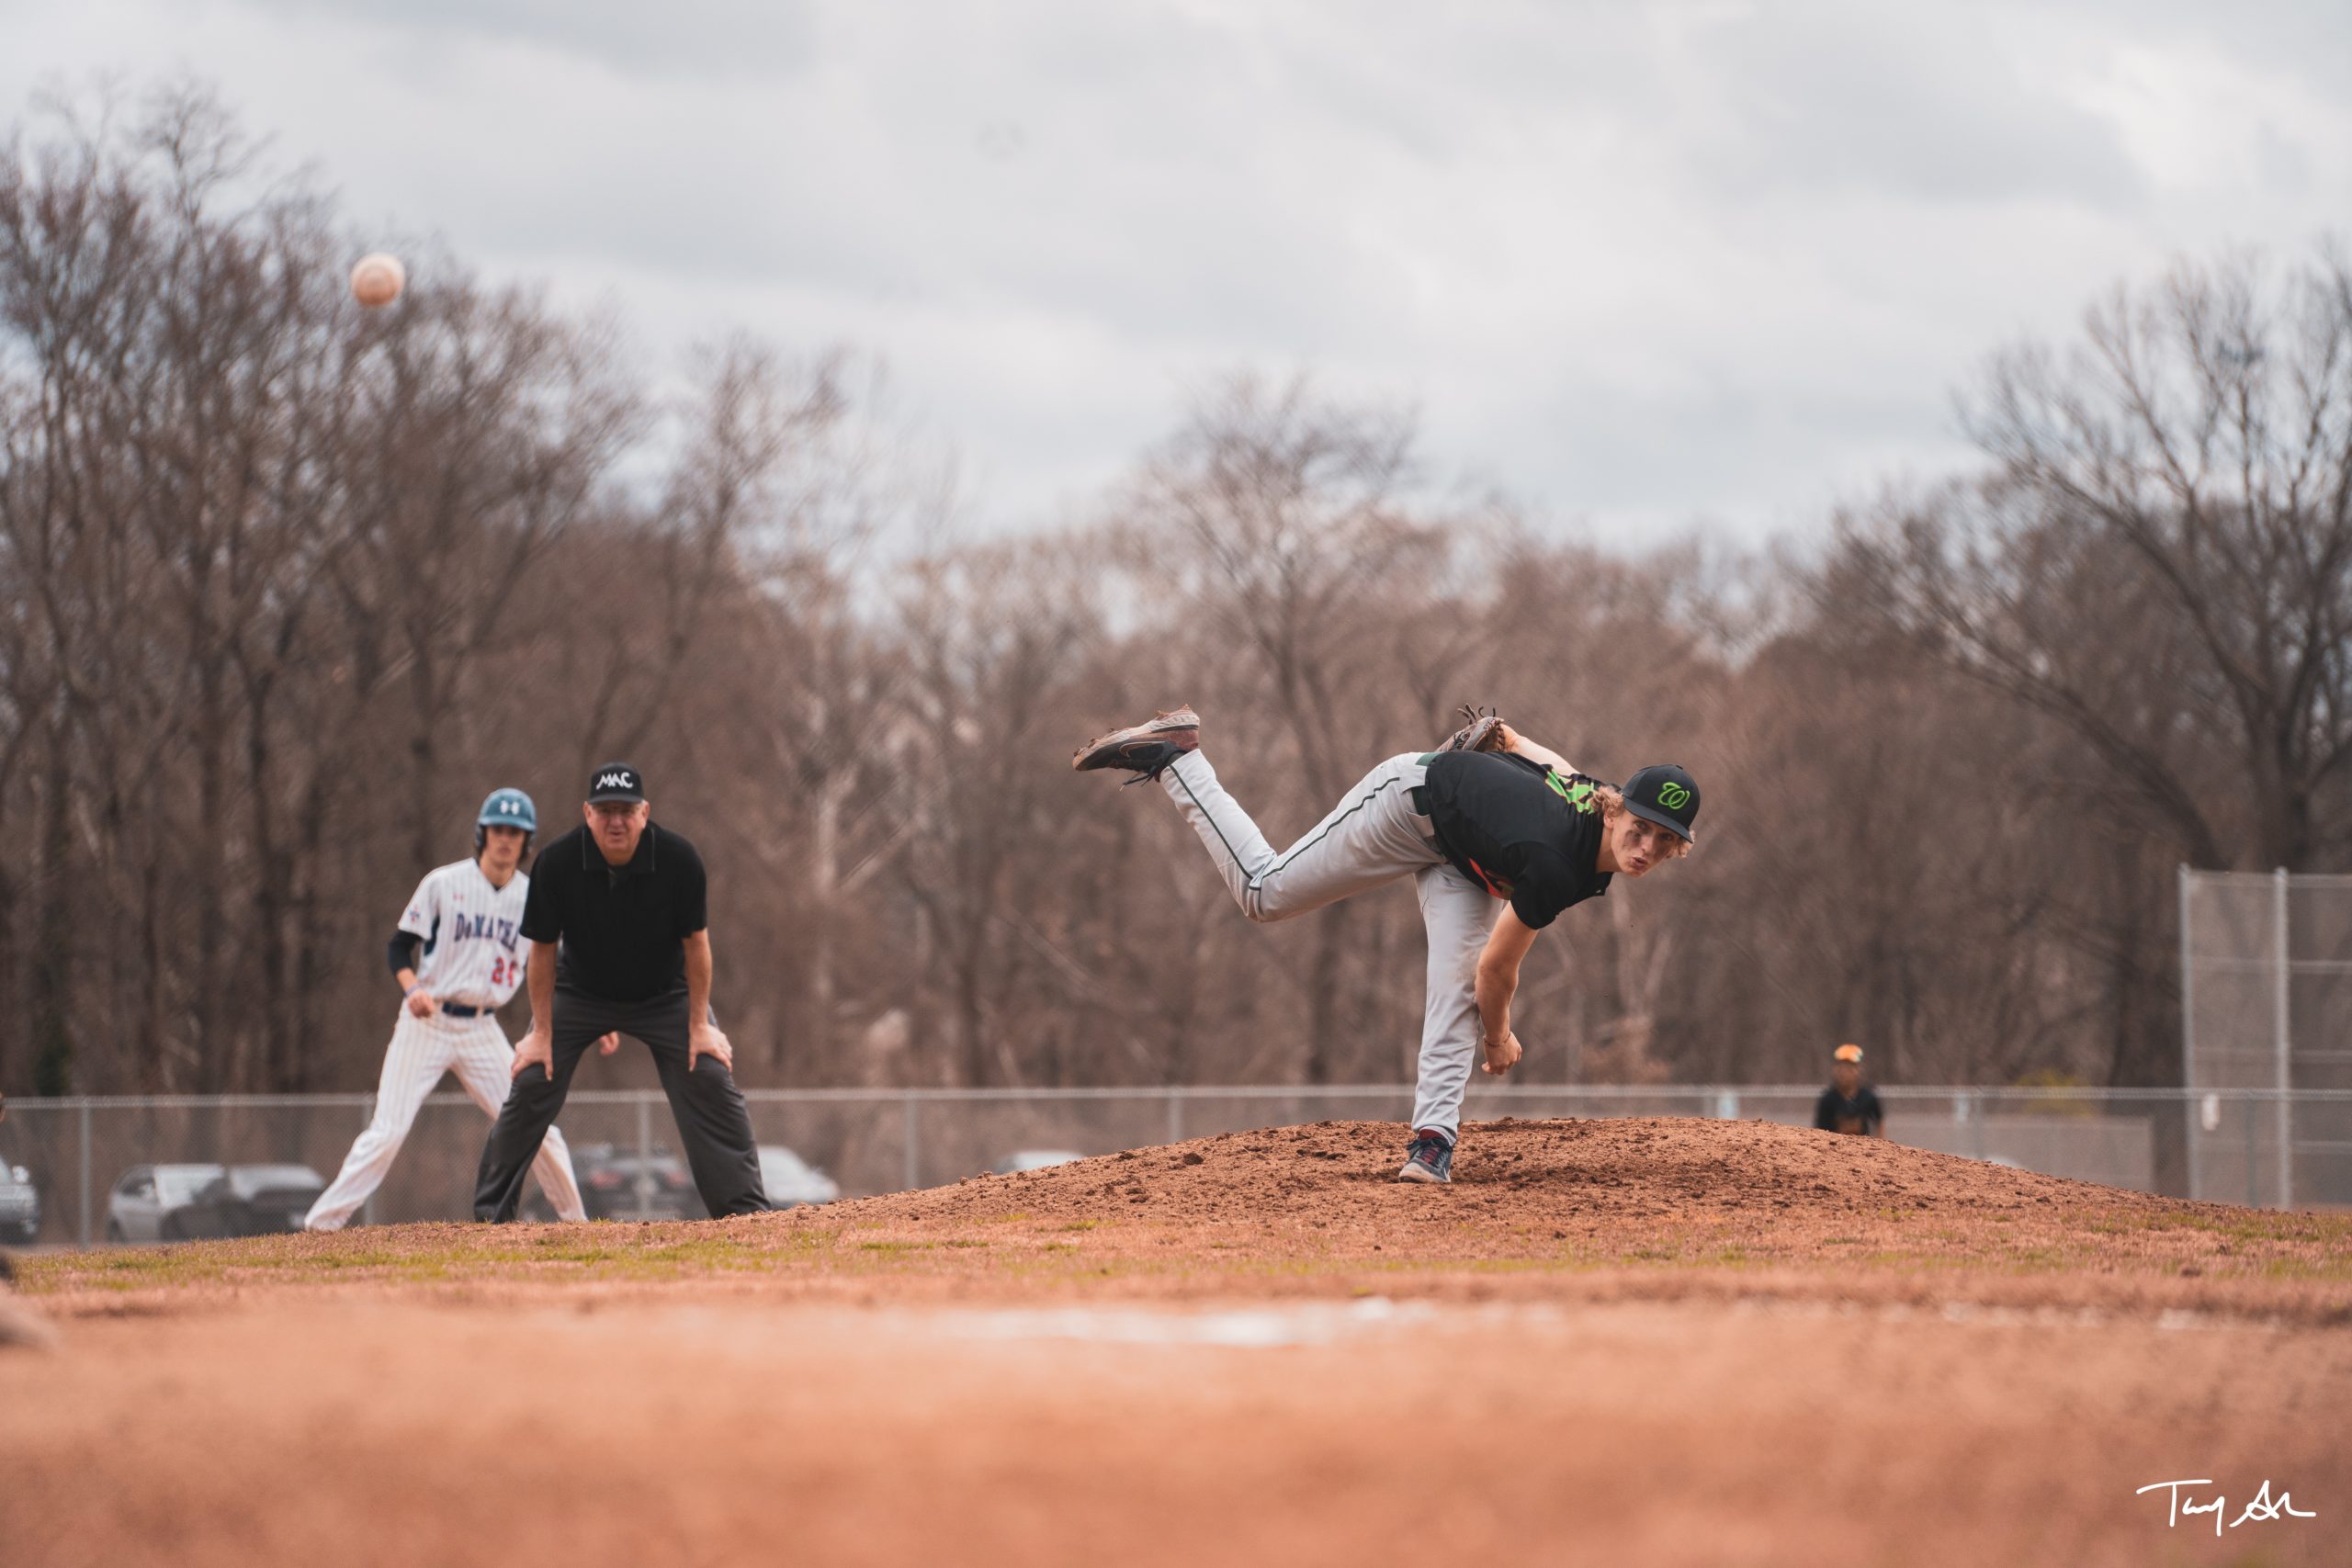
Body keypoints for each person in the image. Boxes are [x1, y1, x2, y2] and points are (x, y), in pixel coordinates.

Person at [1072, 705, 1700, 1183]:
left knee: (1454, 986)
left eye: (1662, 841)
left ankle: (1432, 1143)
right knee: (1264, 892)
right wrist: (1497, 1037)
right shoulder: (1557, 864)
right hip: (1407, 805)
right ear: (1615, 809)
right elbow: (1497, 972)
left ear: (1676, 849)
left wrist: (1505, 737)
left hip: (1464, 855)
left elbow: (1555, 764)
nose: (1644, 847)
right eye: (1639, 828)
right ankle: (1181, 758)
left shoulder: (1590, 806)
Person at [473, 762, 767, 1221]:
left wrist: (698, 1026)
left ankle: (746, 1215)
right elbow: (542, 954)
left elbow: (698, 947)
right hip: (581, 990)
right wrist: (542, 1033)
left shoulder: (679, 859)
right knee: (532, 1079)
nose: (616, 821)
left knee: (709, 1073)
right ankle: (490, 1218)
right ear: (587, 814)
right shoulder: (557, 862)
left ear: (644, 812)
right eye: (606, 810)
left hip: (665, 993)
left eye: (626, 811)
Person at [305, 789, 604, 1233]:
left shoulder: (533, 895)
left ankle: (577, 1225)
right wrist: (411, 990)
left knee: (540, 1128)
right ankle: (321, 1225)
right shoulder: (443, 884)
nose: (505, 839)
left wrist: (598, 1013)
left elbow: (560, 962)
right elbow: (399, 947)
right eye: (498, 830)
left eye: (515, 833)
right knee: (387, 1132)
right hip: (427, 1021)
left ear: (527, 842)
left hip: (482, 1029)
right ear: (482, 834)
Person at [1814, 1043, 1885, 1137]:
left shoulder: (1868, 1096)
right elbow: (1819, 1129)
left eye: (1850, 1067)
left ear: (1859, 1069)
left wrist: (1880, 1144)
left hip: (1863, 1148)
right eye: (1842, 1066)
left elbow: (1879, 1122)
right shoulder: (1828, 1099)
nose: (1845, 1071)